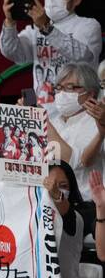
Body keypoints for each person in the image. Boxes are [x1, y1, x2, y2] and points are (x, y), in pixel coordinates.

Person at [0, 0, 100, 109]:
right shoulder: (35, 28)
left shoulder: (88, 25)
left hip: (77, 107)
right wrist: (10, 22)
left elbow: (81, 56)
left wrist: (46, 27)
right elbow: (12, 52)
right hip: (41, 107)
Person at [45, 62, 103, 200]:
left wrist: (41, 122)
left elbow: (73, 162)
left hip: (84, 203)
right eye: (59, 88)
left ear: (90, 93)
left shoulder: (97, 122)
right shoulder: (55, 119)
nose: (62, 94)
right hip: (48, 198)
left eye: (70, 88)